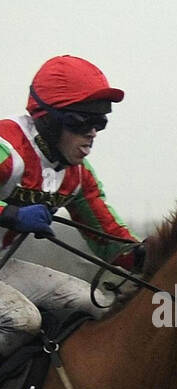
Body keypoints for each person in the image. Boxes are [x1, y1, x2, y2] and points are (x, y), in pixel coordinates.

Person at [0, 55, 143, 358]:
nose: (92, 132)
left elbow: (109, 239)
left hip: (2, 267)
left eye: (99, 122)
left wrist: (150, 255)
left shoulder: (77, 175)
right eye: (82, 121)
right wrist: (10, 214)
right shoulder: (7, 148)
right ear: (48, 120)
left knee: (100, 306)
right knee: (21, 320)